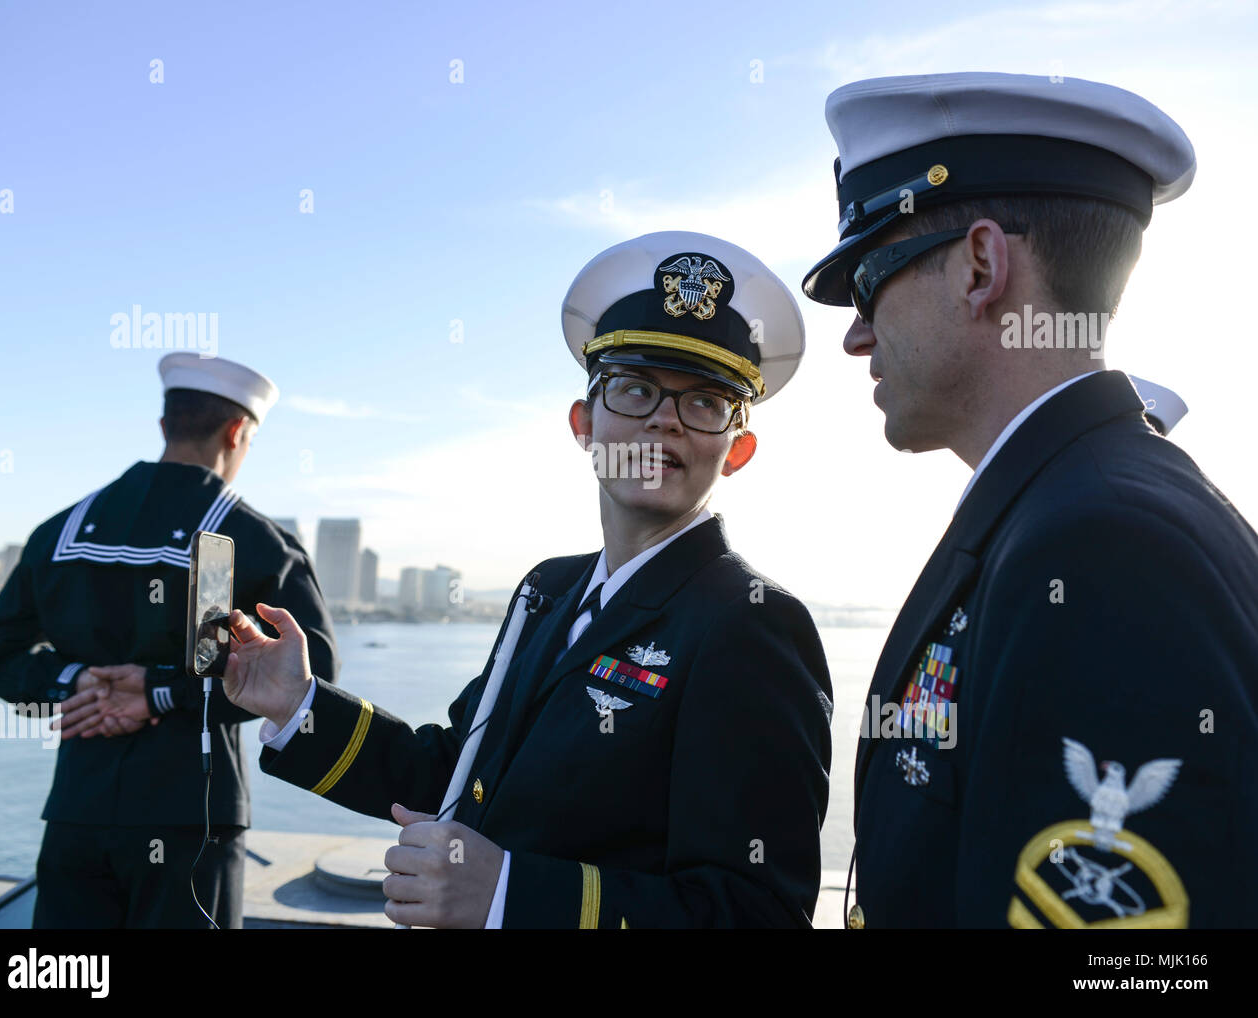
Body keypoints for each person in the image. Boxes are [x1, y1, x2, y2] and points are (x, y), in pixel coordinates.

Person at [220, 231, 834, 928]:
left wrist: (509, 894)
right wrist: (297, 703)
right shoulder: (549, 589)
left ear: (738, 449)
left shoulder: (749, 624)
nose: (665, 418)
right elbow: (453, 772)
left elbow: (757, 914)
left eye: (704, 403)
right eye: (635, 389)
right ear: (585, 424)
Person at [800, 72, 1258, 929]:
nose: (856, 333)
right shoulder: (1079, 504)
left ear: (981, 265)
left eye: (868, 280)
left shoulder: (1104, 548)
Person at [0, 353, 340, 928]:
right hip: (192, 820)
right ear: (238, 431)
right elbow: (314, 673)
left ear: (165, 424)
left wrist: (76, 683)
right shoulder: (255, 540)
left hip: (76, 814)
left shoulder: (61, 528)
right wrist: (160, 693)